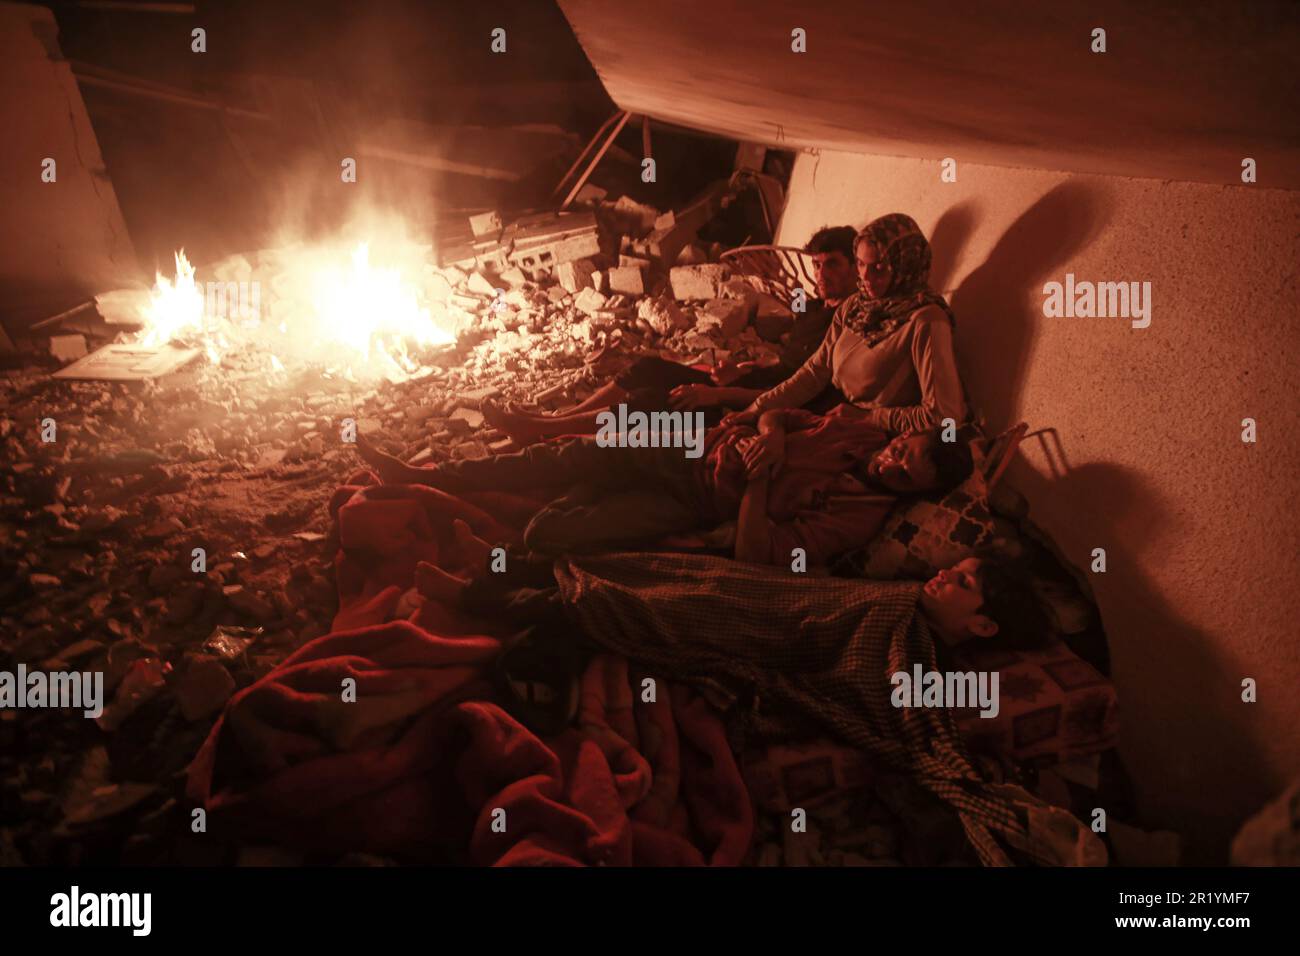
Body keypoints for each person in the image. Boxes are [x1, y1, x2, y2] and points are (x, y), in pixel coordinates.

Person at [355, 409, 974, 568]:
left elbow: (755, 552)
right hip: (693, 439)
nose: (891, 460)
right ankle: (427, 478)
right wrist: (773, 438)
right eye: (903, 449)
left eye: (905, 472)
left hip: (697, 498)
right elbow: (781, 415)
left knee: (553, 532)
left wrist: (757, 485)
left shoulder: (857, 518)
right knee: (571, 450)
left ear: (908, 493)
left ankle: (589, 480)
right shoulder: (860, 432)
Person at [479, 225, 859, 445]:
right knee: (648, 367)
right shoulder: (814, 309)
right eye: (818, 265)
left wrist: (720, 393)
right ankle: (551, 422)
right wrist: (743, 366)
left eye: (833, 265)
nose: (822, 274)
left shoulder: (847, 325)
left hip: (759, 410)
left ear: (856, 270)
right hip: (751, 384)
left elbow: (800, 393)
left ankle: (549, 433)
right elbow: (787, 366)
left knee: (652, 403)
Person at [731, 213, 968, 435]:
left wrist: (869, 417)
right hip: (829, 415)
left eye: (879, 268)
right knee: (726, 436)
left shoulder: (925, 321)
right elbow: (815, 371)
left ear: (906, 266)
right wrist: (757, 407)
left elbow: (945, 417)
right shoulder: (857, 306)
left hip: (869, 437)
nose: (866, 278)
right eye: (862, 265)